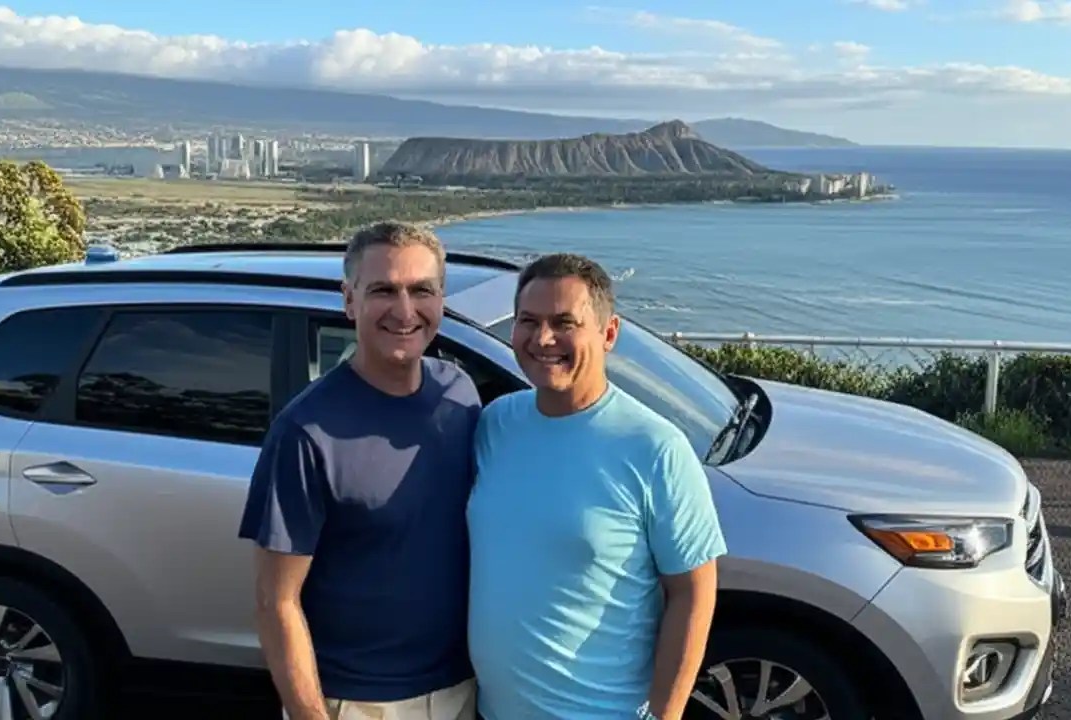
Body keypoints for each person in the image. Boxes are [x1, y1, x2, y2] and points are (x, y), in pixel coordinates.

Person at [466, 252, 727, 720]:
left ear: (609, 334)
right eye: (528, 321)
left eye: (564, 322)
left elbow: (693, 593)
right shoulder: (496, 423)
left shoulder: (655, 448)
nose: (543, 339)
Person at [238, 221, 480, 720]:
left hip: (463, 688)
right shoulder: (306, 433)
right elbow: (275, 602)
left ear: (441, 300)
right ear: (349, 301)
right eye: (383, 290)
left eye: (422, 291)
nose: (405, 310)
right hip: (358, 703)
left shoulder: (460, 393)